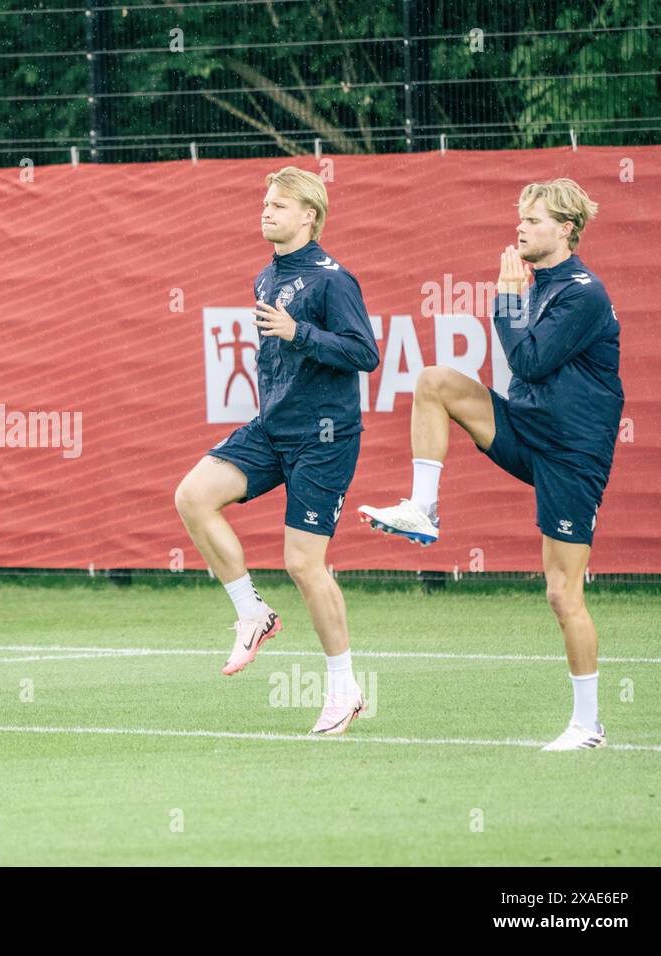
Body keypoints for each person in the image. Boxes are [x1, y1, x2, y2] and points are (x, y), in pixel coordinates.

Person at [358, 178, 622, 751]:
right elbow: (525, 372)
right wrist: (513, 298)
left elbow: (528, 362)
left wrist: (505, 298)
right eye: (521, 217)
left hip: (571, 455)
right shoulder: (540, 285)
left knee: (561, 593)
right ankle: (422, 509)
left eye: (535, 219)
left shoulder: (583, 292)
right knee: (434, 381)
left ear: (567, 230)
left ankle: (587, 725)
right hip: (527, 429)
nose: (521, 227)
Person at [175, 166, 380, 735]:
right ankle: (252, 612)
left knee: (302, 564)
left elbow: (366, 353)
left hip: (324, 437)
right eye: (265, 204)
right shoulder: (267, 277)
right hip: (272, 428)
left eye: (280, 206)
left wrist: (300, 334)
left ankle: (344, 691)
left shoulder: (333, 280)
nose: (267, 212)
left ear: (309, 216)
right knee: (193, 496)